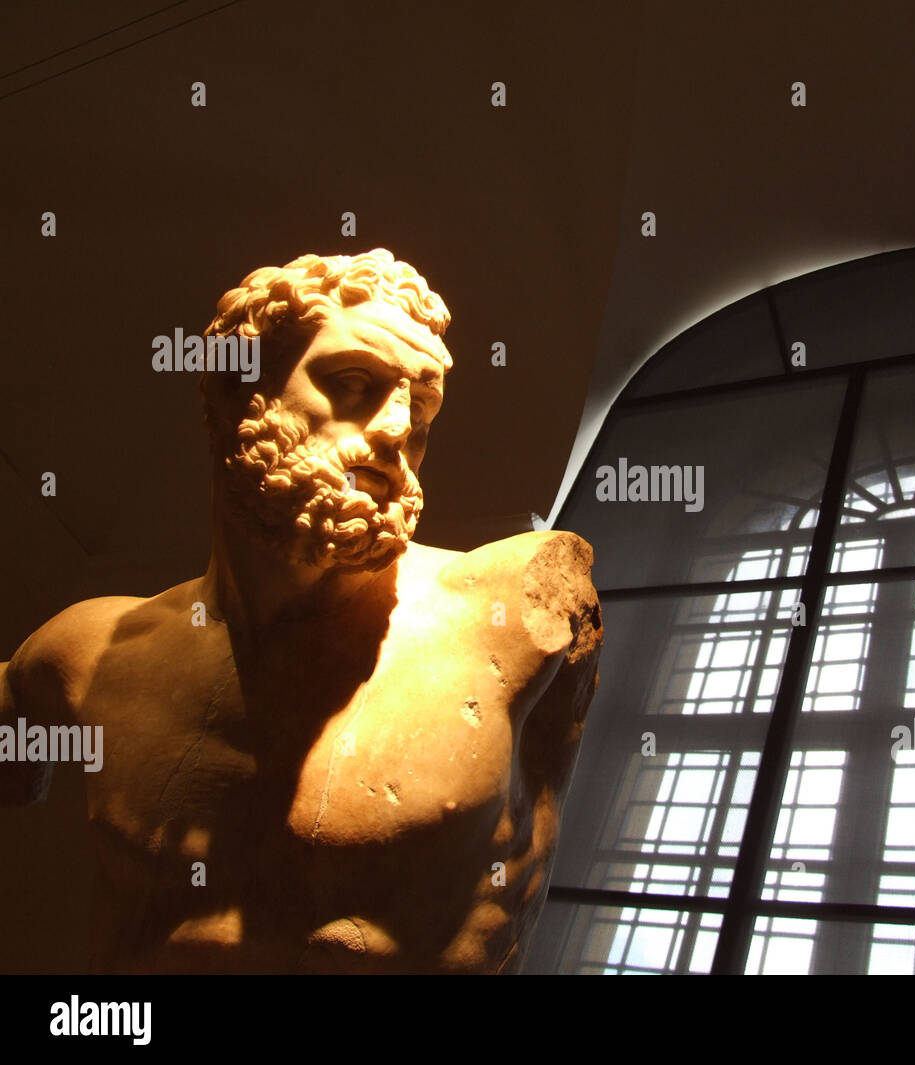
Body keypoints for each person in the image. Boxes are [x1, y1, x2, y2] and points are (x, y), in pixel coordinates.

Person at [0, 249, 602, 973]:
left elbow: (515, 895)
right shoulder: (87, 654)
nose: (398, 429)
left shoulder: (511, 613)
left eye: (422, 406)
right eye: (353, 382)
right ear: (235, 392)